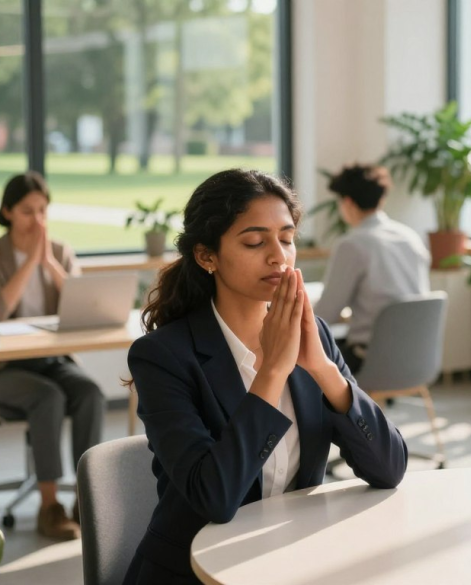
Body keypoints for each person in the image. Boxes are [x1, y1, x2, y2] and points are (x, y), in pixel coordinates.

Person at [124, 169, 407, 584]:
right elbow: (216, 499)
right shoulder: (162, 357)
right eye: (255, 241)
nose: (279, 256)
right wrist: (273, 371)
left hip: (287, 562)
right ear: (207, 256)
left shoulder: (315, 337)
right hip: (193, 571)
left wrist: (325, 371)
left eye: (288, 239)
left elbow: (390, 469)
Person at [0, 171, 105, 540]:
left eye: (43, 210)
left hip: (51, 360)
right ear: (7, 211)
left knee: (90, 393)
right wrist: (29, 261)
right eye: (28, 211)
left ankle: (88, 499)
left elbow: (83, 303)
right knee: (48, 398)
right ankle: (50, 506)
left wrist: (49, 264)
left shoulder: (59, 251)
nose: (38, 220)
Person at [314, 164, 430, 373]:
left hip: (369, 359)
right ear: (381, 199)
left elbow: (325, 316)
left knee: (303, 362)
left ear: (347, 202)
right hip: (418, 357)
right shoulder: (411, 238)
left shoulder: (352, 244)